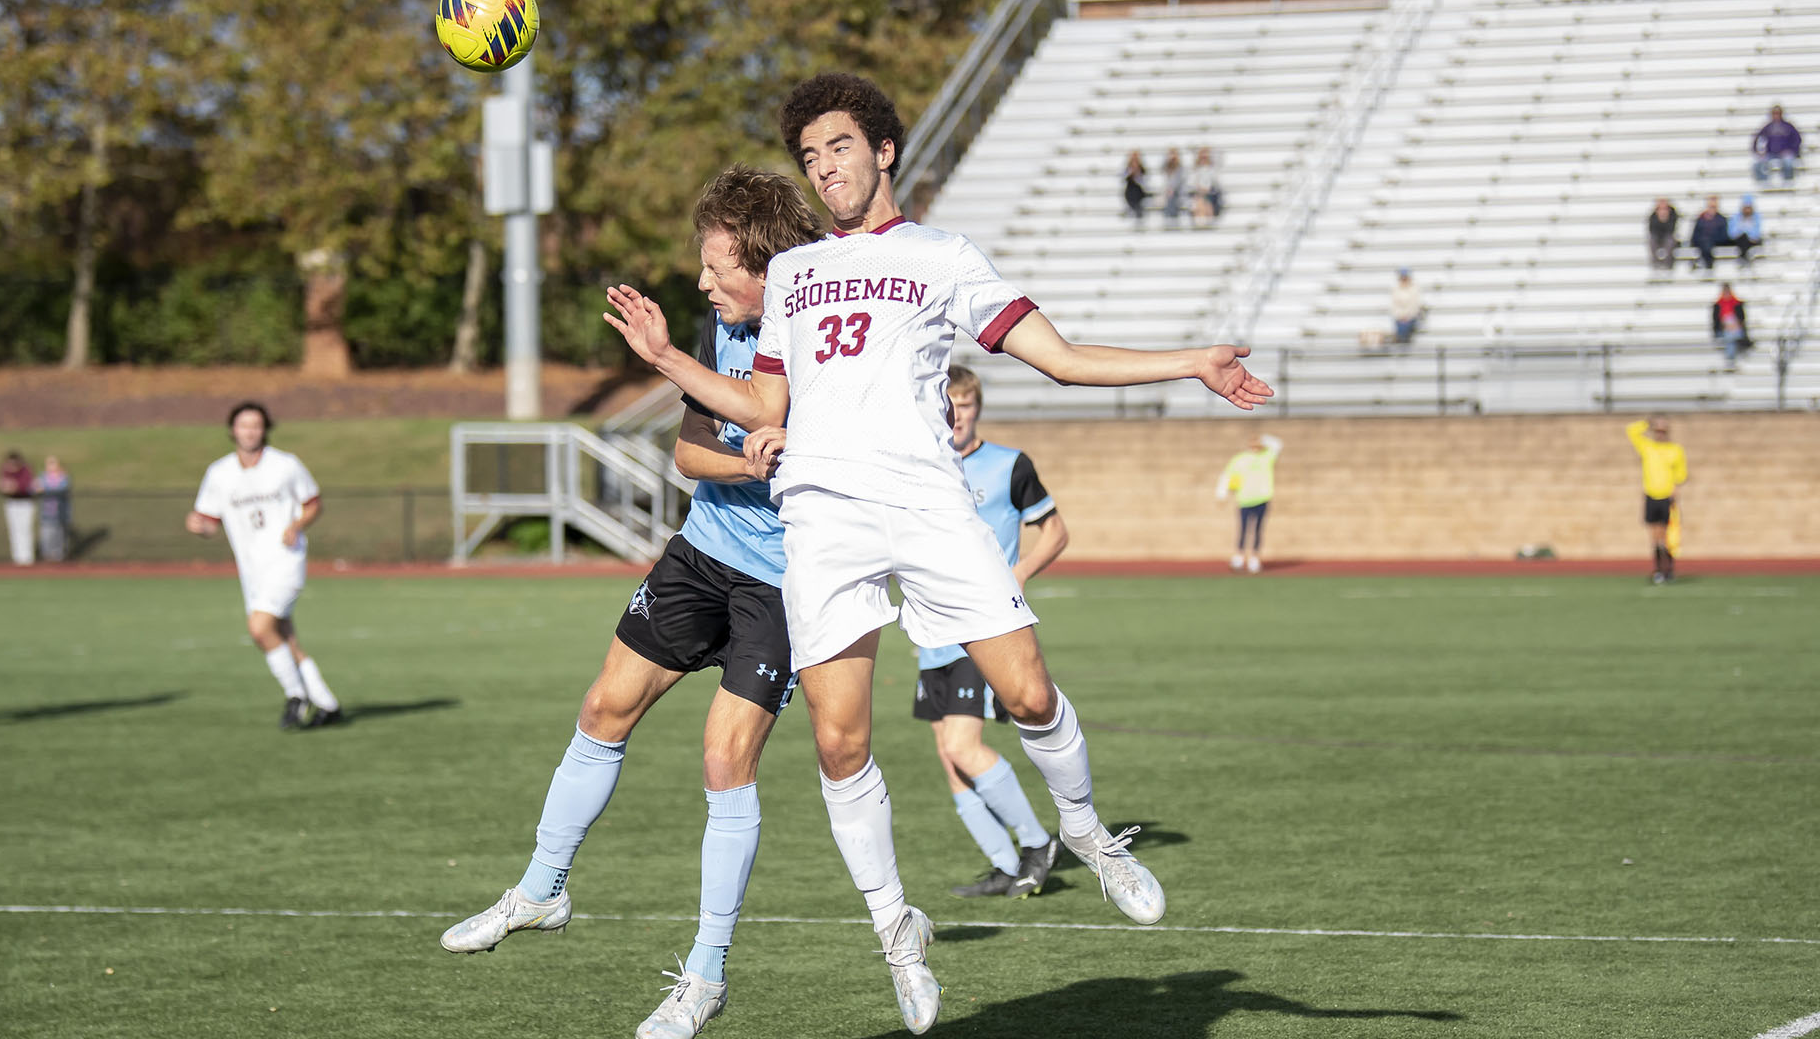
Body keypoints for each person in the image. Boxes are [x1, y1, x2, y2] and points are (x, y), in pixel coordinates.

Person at [602, 71, 1272, 1035]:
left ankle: (1087, 834)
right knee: (839, 743)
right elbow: (765, 409)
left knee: (1030, 693)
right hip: (825, 517)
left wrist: (1192, 361)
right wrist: (669, 358)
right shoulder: (792, 275)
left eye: (840, 147)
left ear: (883, 149)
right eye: (809, 156)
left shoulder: (943, 255)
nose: (824, 168)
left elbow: (1062, 357)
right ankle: (895, 933)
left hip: (926, 506)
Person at [441, 165, 824, 1039]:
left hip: (788, 579)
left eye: (716, 266)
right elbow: (693, 454)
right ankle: (541, 889)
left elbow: (797, 428)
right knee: (603, 705)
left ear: (762, 263)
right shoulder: (721, 331)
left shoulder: (820, 337)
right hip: (703, 550)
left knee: (725, 760)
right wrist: (755, 459)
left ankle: (705, 975)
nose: (702, 281)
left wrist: (786, 447)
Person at [916, 366, 1067, 901]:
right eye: (947, 403)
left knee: (964, 744)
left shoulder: (1008, 465)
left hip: (981, 627)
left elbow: (1055, 531)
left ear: (977, 407)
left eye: (965, 402)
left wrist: (1017, 574)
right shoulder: (920, 466)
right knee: (948, 755)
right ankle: (1006, 864)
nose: (957, 414)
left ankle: (1036, 842)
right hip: (930, 628)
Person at [185, 402, 342, 729]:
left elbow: (313, 504)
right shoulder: (219, 473)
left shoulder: (286, 465)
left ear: (265, 429)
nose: (250, 431)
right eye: (244, 425)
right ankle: (328, 705)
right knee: (285, 638)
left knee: (259, 628)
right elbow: (211, 522)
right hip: (252, 570)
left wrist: (296, 526)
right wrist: (200, 528)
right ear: (232, 430)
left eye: (256, 425)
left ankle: (295, 695)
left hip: (286, 560)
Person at [1626, 417, 1685, 585]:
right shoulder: (1648, 447)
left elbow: (1680, 474)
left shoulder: (1675, 450)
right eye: (1657, 431)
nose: (1660, 434)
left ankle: (1669, 570)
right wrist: (1648, 422)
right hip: (1651, 495)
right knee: (1654, 537)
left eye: (1663, 431)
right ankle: (1659, 570)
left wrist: (1676, 489)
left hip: (1667, 496)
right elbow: (1631, 431)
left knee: (1667, 536)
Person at [1215, 434, 1282, 573]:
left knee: (1258, 530)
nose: (1255, 445)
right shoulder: (1240, 459)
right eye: (1253, 442)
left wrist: (1263, 439)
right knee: (1243, 530)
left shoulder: (1266, 456)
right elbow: (1228, 476)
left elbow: (1277, 444)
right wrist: (1222, 494)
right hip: (1245, 499)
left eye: (1257, 443)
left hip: (1262, 499)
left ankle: (1254, 559)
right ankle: (1239, 558)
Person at [0, 451, 37, 566]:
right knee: (14, 530)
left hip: (25, 502)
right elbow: (2, 485)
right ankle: (18, 558)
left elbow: (28, 486)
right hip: (11, 502)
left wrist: (16, 487)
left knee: (25, 529)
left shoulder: (25, 470)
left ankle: (27, 558)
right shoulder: (5, 470)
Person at [1751, 106, 1800, 185]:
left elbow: (1797, 139)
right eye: (1774, 113)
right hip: (1771, 153)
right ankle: (1764, 184)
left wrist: (1793, 151)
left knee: (1788, 163)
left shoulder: (1788, 127)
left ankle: (1788, 183)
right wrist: (1757, 151)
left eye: (1778, 113)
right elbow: (1757, 138)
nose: (1776, 115)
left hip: (1785, 153)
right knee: (1758, 164)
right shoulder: (1768, 127)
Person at [35, 455, 70, 561]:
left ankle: (58, 559)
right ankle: (47, 558)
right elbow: (33, 488)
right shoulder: (42, 477)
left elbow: (61, 490)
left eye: (53, 463)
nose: (51, 466)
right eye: (49, 463)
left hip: (60, 513)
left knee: (59, 537)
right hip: (46, 514)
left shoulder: (63, 477)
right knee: (46, 536)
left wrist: (44, 490)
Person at [1710, 283, 1752, 368]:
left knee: (1731, 332)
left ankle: (1730, 358)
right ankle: (1732, 356)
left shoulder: (1737, 304)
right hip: (1723, 329)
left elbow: (1742, 319)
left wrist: (1734, 324)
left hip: (1735, 328)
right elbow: (1716, 322)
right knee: (1730, 334)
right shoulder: (1718, 305)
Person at [1689, 196, 1729, 271]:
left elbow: (1724, 236)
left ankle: (1704, 263)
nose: (1712, 209)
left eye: (1714, 207)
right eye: (1710, 206)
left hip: (1714, 242)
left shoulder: (1721, 219)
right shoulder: (1700, 219)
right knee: (1704, 241)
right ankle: (1707, 264)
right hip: (1702, 243)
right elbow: (1695, 235)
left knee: (1707, 242)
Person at [1391, 268, 1425, 344]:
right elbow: (1394, 306)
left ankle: (1403, 342)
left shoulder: (1414, 289)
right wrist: (1400, 316)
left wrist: (1407, 316)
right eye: (1402, 278)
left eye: (1405, 277)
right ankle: (1402, 342)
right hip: (1399, 318)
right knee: (1401, 326)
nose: (1404, 279)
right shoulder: (1396, 289)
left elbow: (1415, 305)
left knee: (1405, 327)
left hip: (1411, 318)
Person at [1190, 147, 1222, 226]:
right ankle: (1200, 219)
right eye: (1202, 154)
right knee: (1199, 199)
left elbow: (1216, 184)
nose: (1204, 157)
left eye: (1206, 154)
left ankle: (1207, 219)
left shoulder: (1212, 169)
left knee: (1206, 200)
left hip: (1210, 193)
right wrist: (1199, 188)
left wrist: (1208, 189)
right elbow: (1192, 183)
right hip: (1198, 193)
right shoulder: (1196, 169)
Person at [1727, 196, 1763, 267]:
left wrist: (1748, 234)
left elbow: (1757, 234)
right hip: (1740, 240)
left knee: (1746, 237)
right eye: (1746, 208)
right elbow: (1732, 233)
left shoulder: (1756, 217)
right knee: (1743, 237)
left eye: (1749, 208)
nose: (1747, 210)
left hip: (1752, 241)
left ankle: (1743, 258)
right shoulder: (1736, 217)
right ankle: (1745, 258)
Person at [1646, 198, 1678, 272]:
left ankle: (1668, 264)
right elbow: (1652, 230)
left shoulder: (1673, 215)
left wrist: (1665, 219)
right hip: (1657, 237)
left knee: (1670, 241)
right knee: (1651, 241)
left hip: (1668, 237)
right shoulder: (1653, 216)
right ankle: (1655, 264)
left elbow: (1671, 230)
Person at [1160, 147, 1187, 228]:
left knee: (1172, 197)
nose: (1172, 157)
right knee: (1169, 197)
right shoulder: (1165, 168)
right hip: (1167, 194)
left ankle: (1171, 220)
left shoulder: (1180, 169)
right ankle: (1170, 220)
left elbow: (1179, 183)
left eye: (1174, 155)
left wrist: (1172, 189)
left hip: (1178, 193)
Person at [1122, 150, 1148, 224]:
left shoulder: (1142, 169)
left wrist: (1137, 174)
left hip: (1139, 192)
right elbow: (1123, 179)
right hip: (1130, 192)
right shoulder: (1127, 168)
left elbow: (1143, 182)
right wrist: (1130, 173)